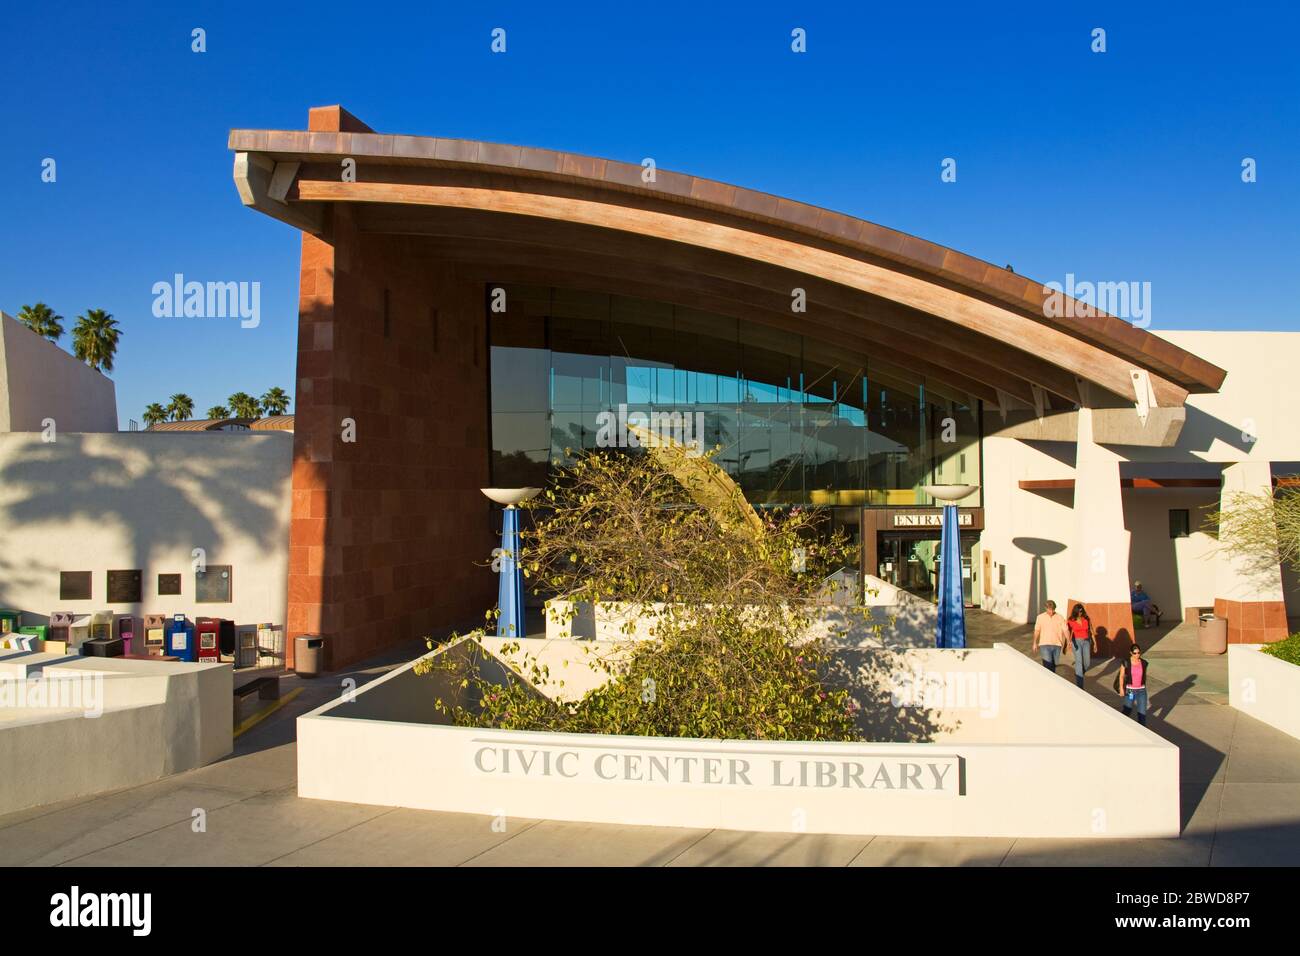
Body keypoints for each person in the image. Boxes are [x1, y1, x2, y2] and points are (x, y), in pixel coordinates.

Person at [1032, 600, 1070, 672]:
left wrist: (1068, 640)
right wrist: (1034, 643)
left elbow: (1065, 630)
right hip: (1044, 644)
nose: (1051, 611)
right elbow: (1037, 630)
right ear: (1046, 608)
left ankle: (1052, 681)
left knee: (1053, 666)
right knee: (1047, 666)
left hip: (1057, 644)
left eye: (1053, 609)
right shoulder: (1040, 617)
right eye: (1049, 610)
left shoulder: (1060, 617)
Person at [1119, 643, 1151, 726]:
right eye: (1135, 653)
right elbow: (1121, 676)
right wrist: (1122, 689)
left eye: (1138, 653)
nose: (1137, 655)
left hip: (1141, 691)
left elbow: (1144, 676)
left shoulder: (1144, 663)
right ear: (1131, 653)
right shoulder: (1126, 662)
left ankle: (1143, 732)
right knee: (1127, 710)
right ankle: (1120, 726)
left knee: (1142, 714)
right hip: (1130, 690)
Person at [1067, 603, 1096, 688]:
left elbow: (1091, 631)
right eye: (1079, 611)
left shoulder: (1086, 619)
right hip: (1076, 642)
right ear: (1075, 612)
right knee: (1079, 661)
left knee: (1087, 663)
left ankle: (1079, 673)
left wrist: (1095, 644)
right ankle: (1080, 685)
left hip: (1086, 642)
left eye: (1082, 611)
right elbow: (1068, 631)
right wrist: (1069, 641)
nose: (1080, 613)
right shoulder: (1071, 620)